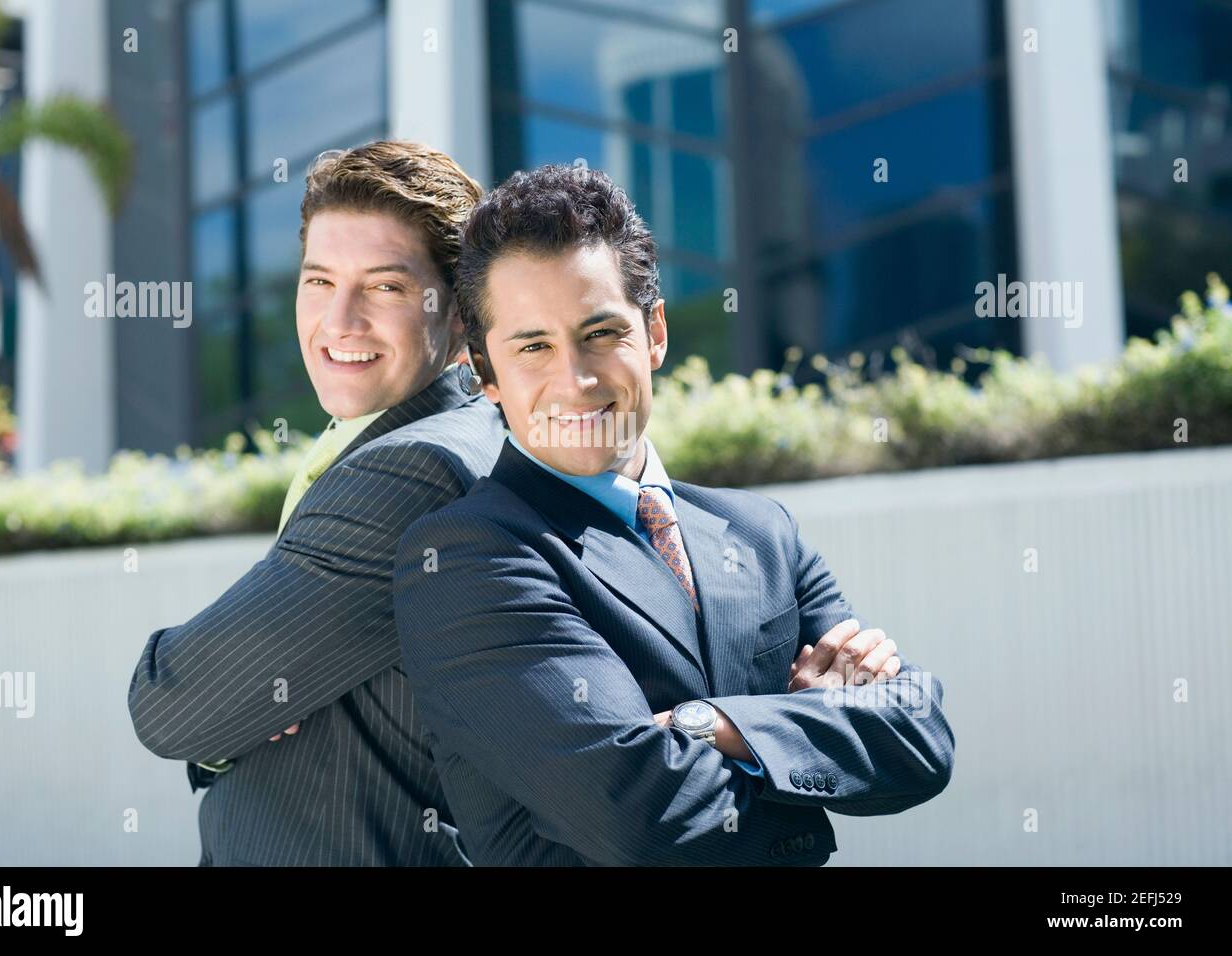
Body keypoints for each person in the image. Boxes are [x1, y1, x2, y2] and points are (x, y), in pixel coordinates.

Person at [393, 165, 955, 866]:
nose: (577, 378)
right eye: (533, 347)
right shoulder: (467, 557)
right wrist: (804, 745)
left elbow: (919, 736)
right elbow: (637, 817)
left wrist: (707, 724)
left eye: (601, 332)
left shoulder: (760, 533)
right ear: (485, 371)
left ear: (654, 332)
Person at [128, 141, 502, 866]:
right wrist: (238, 715)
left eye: (384, 287)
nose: (339, 321)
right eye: (319, 280)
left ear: (460, 313)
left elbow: (170, 701)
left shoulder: (418, 468)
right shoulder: (391, 439)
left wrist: (222, 714)